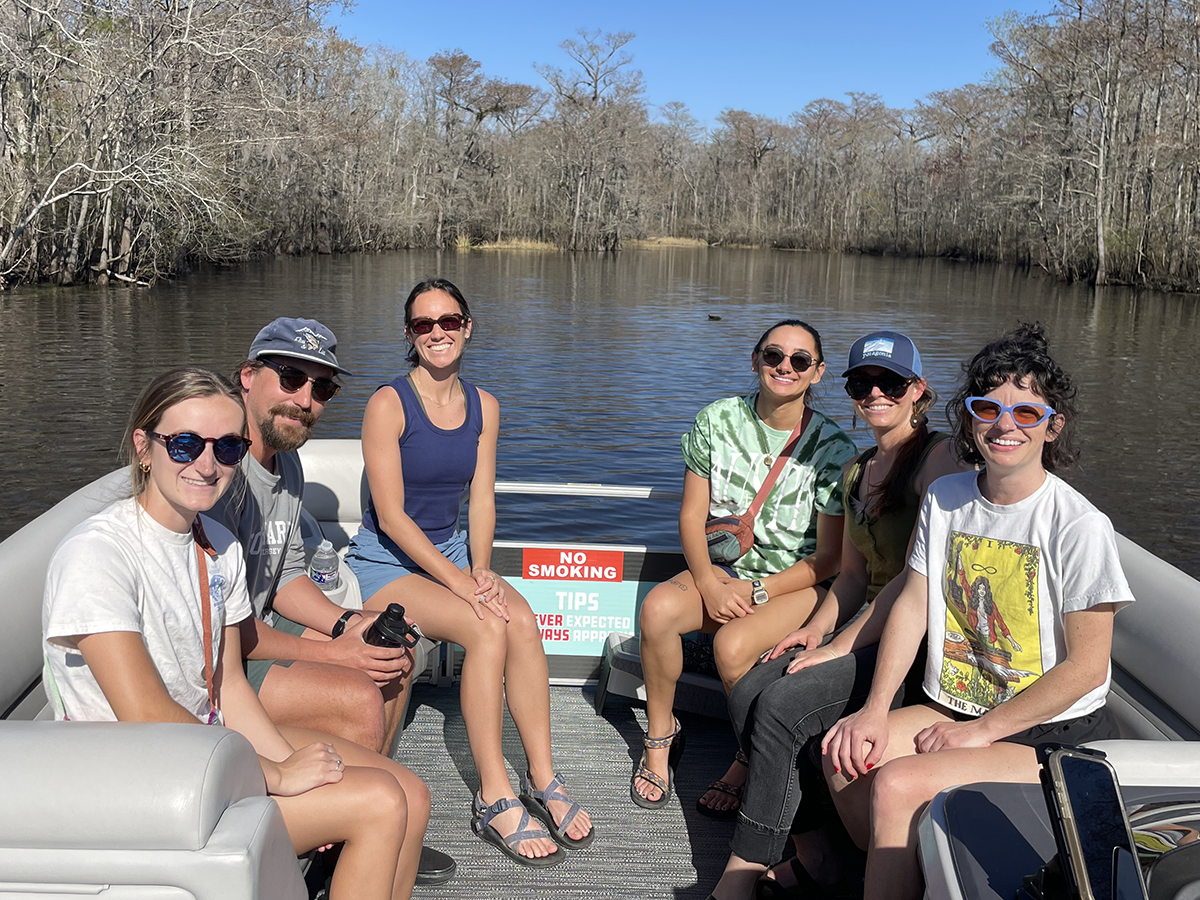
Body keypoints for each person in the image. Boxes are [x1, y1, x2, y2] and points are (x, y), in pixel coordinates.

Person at [41, 367, 430, 900]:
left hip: (205, 743)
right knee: (382, 802)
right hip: (134, 777)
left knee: (411, 791)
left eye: (227, 448)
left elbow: (227, 686)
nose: (206, 465)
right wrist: (273, 772)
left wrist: (288, 764)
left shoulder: (216, 543)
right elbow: (146, 714)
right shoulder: (99, 555)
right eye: (184, 444)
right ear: (144, 446)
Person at [820, 323, 1134, 900]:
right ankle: (898, 871)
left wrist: (980, 735)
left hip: (1048, 734)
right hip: (954, 704)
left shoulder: (1078, 525)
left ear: (1052, 426)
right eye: (987, 408)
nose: (1005, 425)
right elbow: (913, 603)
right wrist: (874, 709)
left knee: (894, 784)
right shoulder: (947, 497)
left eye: (1027, 413)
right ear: (967, 417)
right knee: (844, 754)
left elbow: (1088, 668)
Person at [704, 331, 962, 900]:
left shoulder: (936, 459)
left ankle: (742, 872)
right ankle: (817, 852)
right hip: (858, 627)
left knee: (780, 706)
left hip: (909, 642)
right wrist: (812, 631)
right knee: (750, 688)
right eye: (862, 383)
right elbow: (849, 577)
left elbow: (914, 583)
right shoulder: (858, 470)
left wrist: (837, 647)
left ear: (918, 391)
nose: (875, 394)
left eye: (890, 383)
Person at [344, 277, 593, 867]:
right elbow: (394, 517)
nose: (437, 333)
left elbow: (482, 499)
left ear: (467, 327)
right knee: (484, 628)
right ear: (409, 334)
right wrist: (461, 587)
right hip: (390, 560)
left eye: (448, 322)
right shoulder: (387, 403)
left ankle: (542, 777)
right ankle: (493, 794)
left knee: (521, 621)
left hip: (455, 553)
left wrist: (480, 570)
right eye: (423, 325)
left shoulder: (484, 406)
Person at [633, 319, 857, 810]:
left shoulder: (833, 450)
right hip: (725, 571)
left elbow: (828, 559)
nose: (785, 367)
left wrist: (757, 593)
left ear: (817, 373)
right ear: (755, 360)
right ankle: (661, 737)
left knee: (732, 647)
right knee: (657, 610)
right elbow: (692, 516)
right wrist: (711, 583)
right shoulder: (716, 420)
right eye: (773, 356)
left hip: (795, 582)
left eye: (800, 360)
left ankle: (750, 755)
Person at [210, 317, 414, 759]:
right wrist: (337, 655)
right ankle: (349, 811)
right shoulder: (216, 474)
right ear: (248, 376)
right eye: (291, 378)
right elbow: (219, 626)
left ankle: (365, 803)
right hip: (214, 658)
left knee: (390, 653)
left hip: (260, 626)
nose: (304, 401)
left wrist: (348, 624)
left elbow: (283, 575)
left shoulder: (288, 462)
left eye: (321, 389)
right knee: (358, 695)